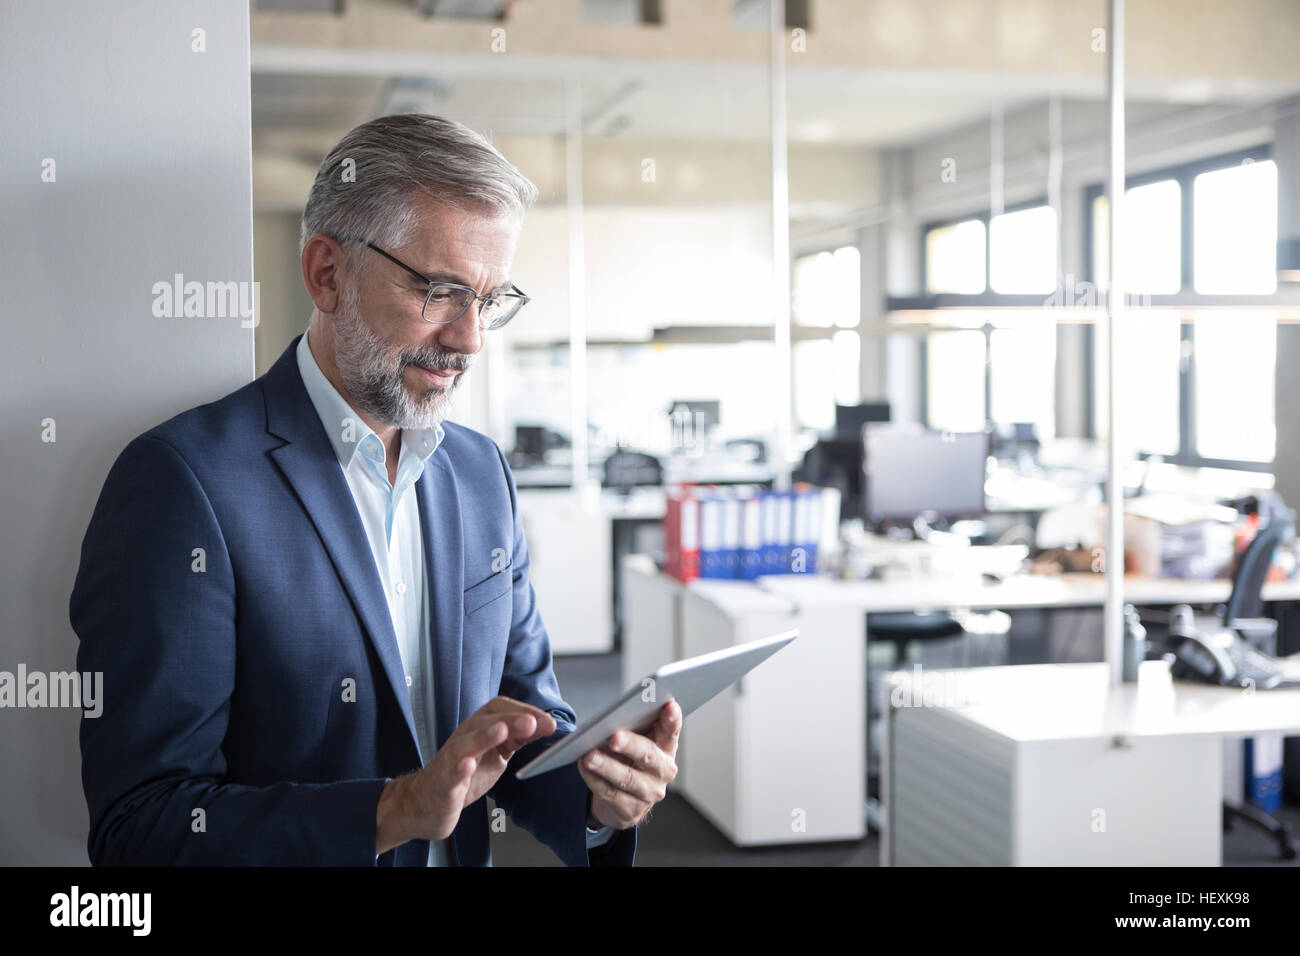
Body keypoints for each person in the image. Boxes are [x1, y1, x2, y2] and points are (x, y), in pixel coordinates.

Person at [70, 113, 678, 866]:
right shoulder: (183, 484)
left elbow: (523, 715)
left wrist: (594, 793)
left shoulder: (481, 473)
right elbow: (144, 827)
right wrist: (391, 811)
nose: (470, 340)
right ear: (328, 274)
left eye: (488, 301)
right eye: (442, 291)